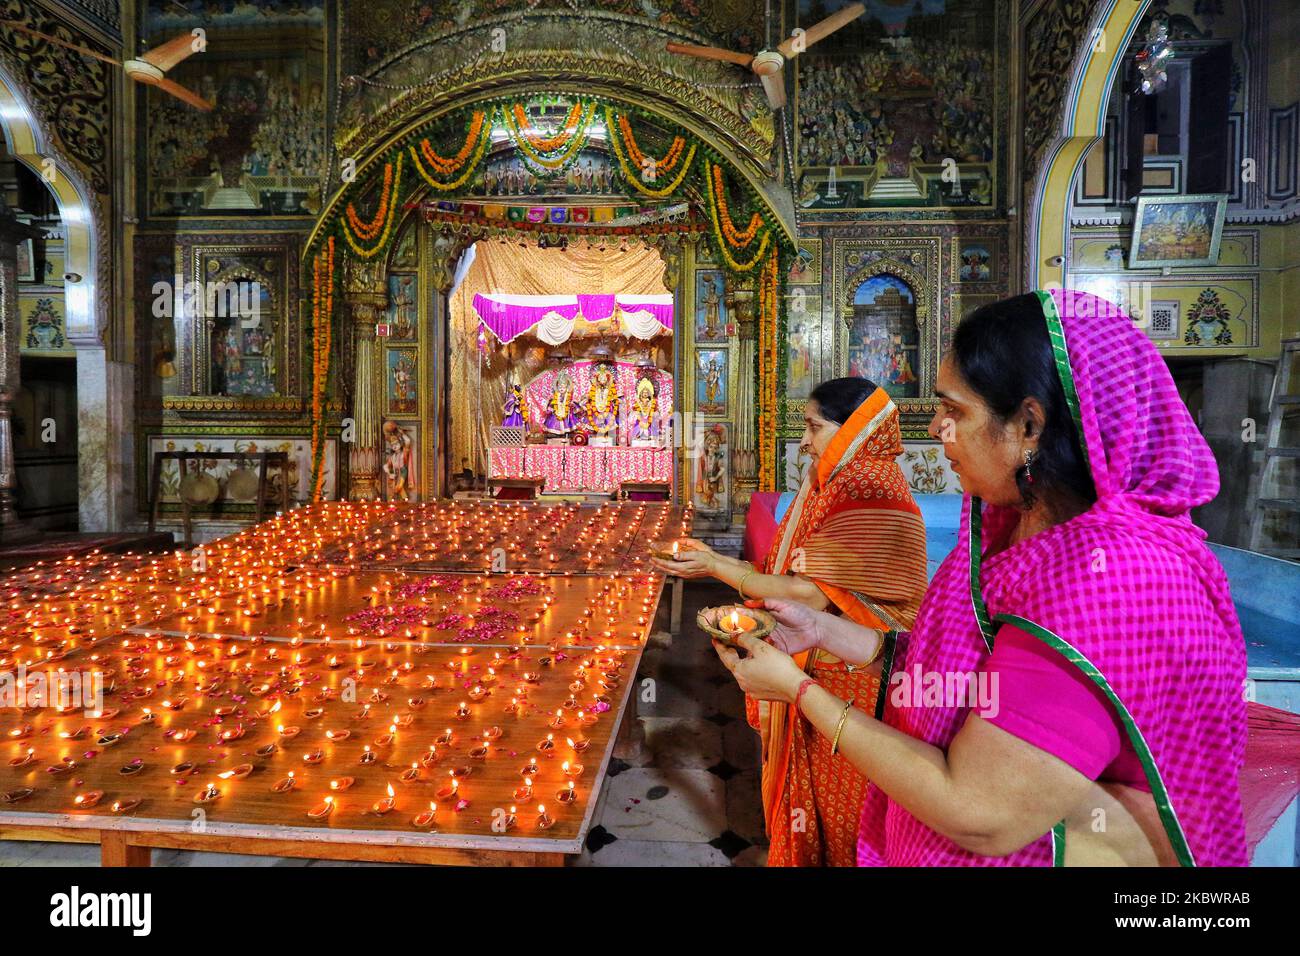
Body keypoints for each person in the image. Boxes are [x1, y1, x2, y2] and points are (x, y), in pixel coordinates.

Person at [711, 290, 1248, 866]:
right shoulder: (1014, 532)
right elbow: (962, 678)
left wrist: (798, 691)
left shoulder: (1112, 576)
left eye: (956, 410)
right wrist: (822, 631)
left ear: (1029, 425)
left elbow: (980, 812)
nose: (937, 425)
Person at [655, 378, 927, 865]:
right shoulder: (827, 484)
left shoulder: (870, 486)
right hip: (828, 665)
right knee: (817, 803)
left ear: (853, 432)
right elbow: (784, 575)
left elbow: (807, 593)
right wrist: (717, 561)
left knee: (845, 811)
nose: (803, 440)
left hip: (857, 677)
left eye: (814, 427)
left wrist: (717, 568)